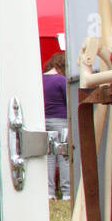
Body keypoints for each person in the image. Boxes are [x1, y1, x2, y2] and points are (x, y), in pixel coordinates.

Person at [43, 52, 70, 199]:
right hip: (61, 121)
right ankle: (67, 193)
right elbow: (69, 101)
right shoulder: (61, 80)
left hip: (44, 121)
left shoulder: (39, 79)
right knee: (64, 156)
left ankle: (49, 192)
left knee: (49, 157)